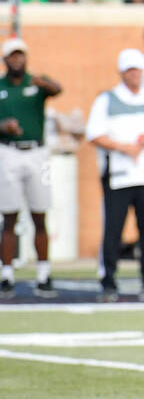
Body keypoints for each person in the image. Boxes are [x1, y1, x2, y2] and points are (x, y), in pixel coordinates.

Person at [86, 51, 144, 303]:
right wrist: (124, 147)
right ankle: (108, 282)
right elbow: (94, 134)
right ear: (122, 72)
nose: (134, 74)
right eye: (130, 70)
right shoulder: (107, 99)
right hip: (118, 175)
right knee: (113, 231)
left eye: (137, 69)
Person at [0, 38, 62, 297]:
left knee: (40, 213)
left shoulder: (36, 82)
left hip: (37, 152)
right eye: (12, 56)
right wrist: (3, 127)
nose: (17, 60)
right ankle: (7, 275)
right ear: (5, 60)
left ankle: (44, 273)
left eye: (20, 56)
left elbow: (58, 89)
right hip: (8, 151)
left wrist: (43, 83)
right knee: (9, 216)